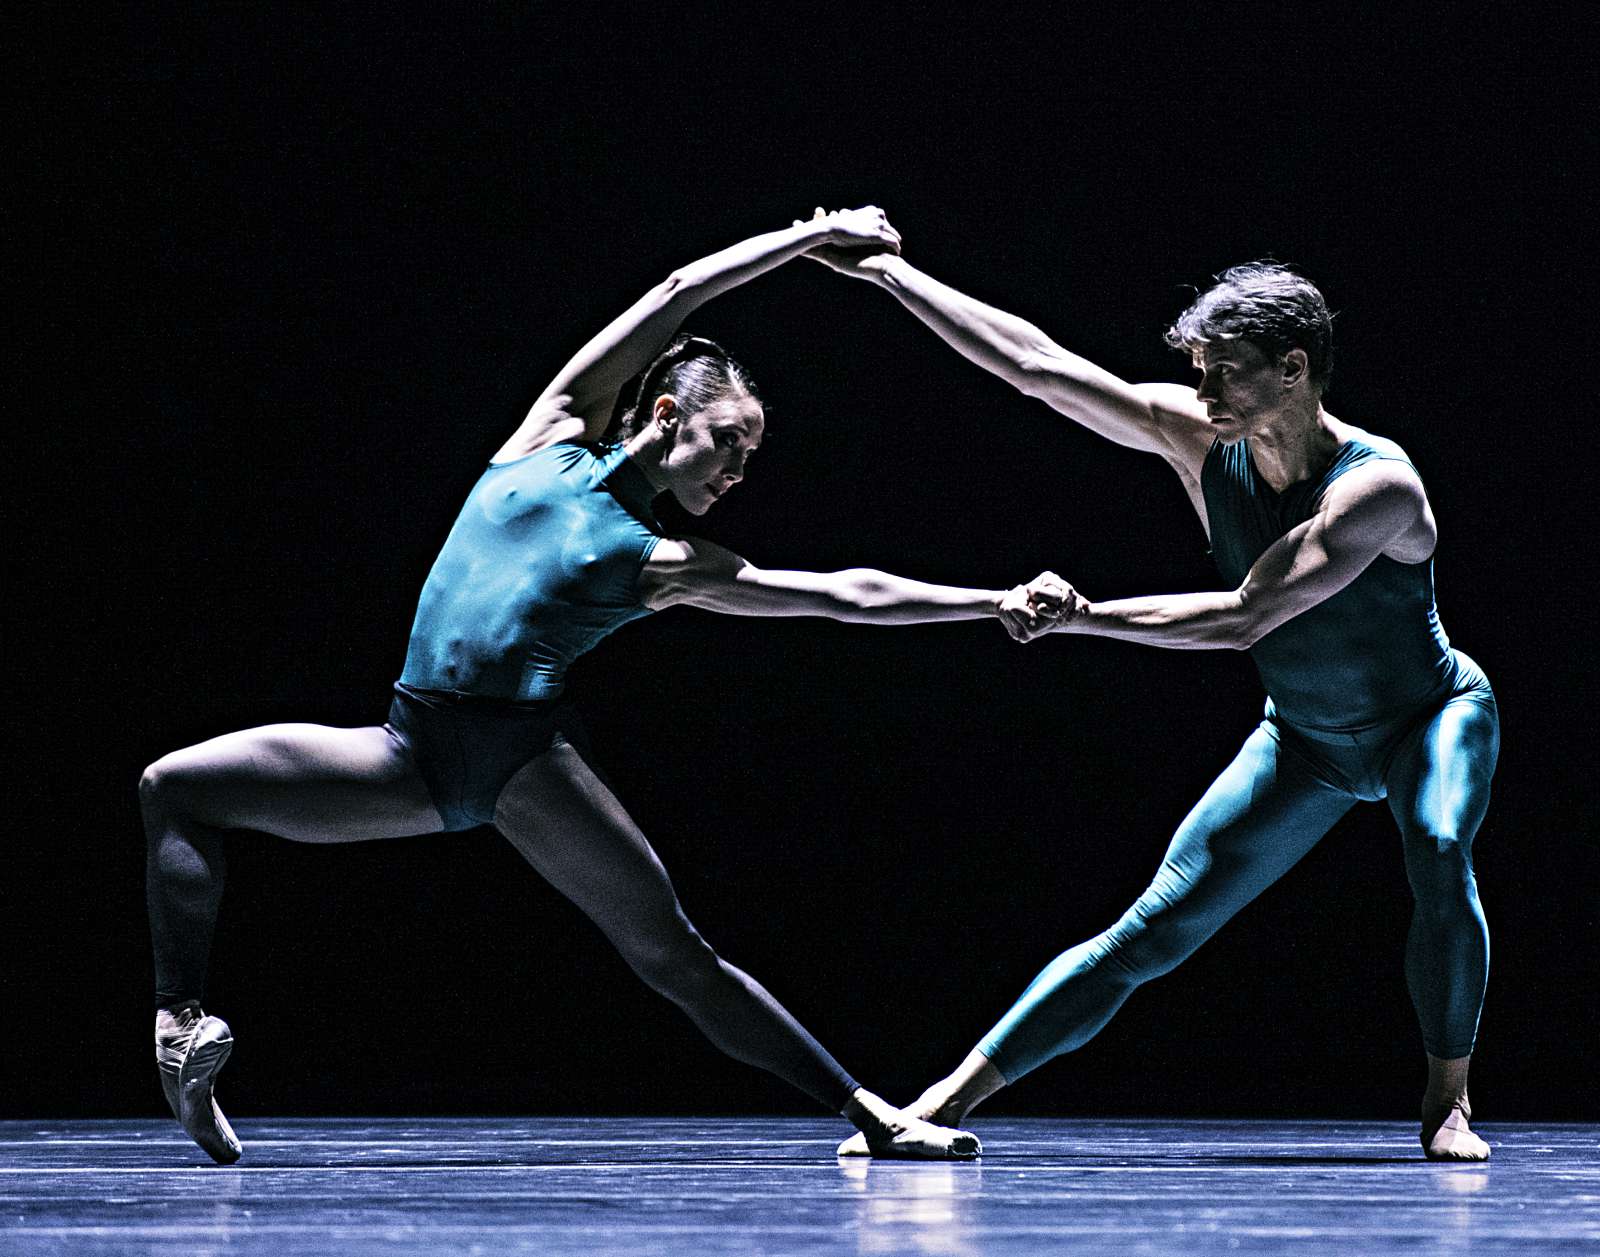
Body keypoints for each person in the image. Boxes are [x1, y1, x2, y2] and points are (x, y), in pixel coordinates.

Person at [142, 208, 1052, 1164]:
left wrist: (991, 600)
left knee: (677, 958)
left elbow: (846, 595)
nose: (741, 468)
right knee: (175, 786)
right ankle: (178, 1031)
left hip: (523, 764)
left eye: (751, 456)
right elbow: (674, 295)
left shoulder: (666, 560)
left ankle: (874, 1112)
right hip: (404, 752)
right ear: (666, 415)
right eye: (729, 442)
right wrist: (804, 239)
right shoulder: (551, 433)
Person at [809, 229, 1499, 1161]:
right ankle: (941, 1100)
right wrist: (892, 273)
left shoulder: (1379, 487)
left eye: (1224, 374)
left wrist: (1081, 615)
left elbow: (1247, 616)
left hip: (1429, 719)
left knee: (1441, 842)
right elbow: (1037, 367)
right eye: (1199, 373)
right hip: (1304, 739)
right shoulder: (1201, 438)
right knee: (1154, 927)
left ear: (1293, 370)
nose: (1203, 394)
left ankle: (1448, 1097)